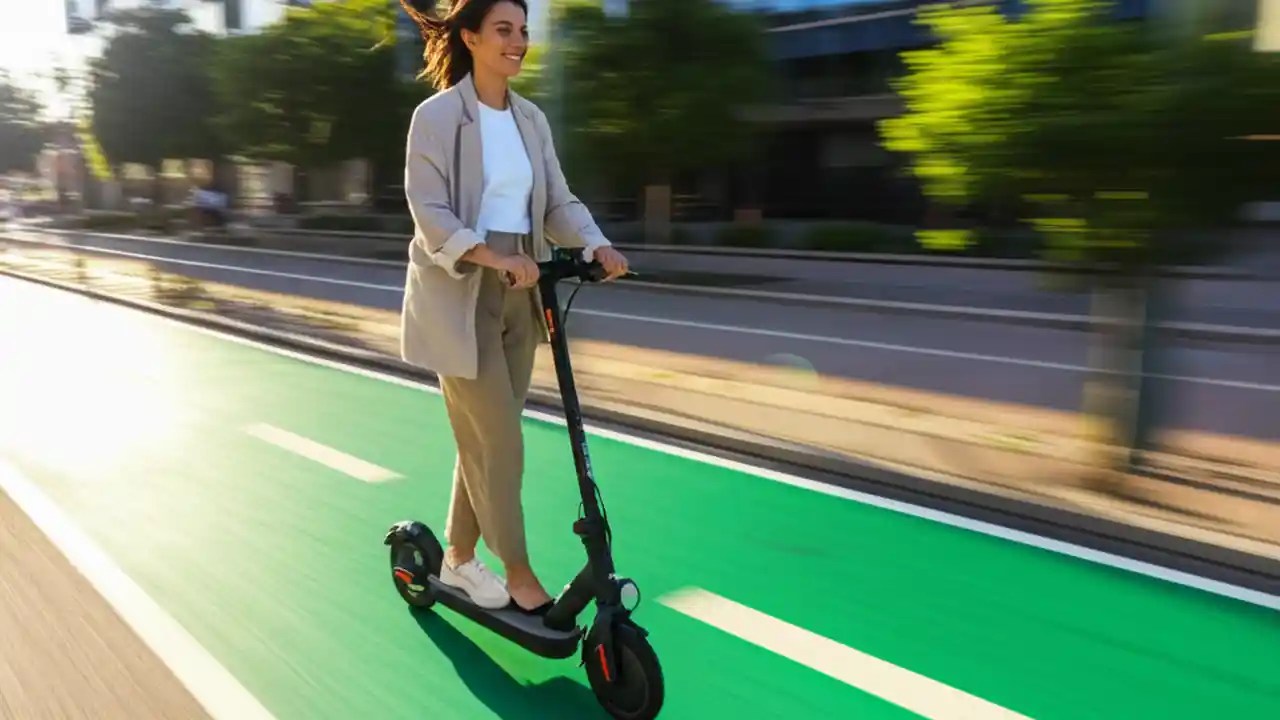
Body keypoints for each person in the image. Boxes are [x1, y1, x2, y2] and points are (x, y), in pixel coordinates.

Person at [398, 0, 629, 614]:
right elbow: (429, 211)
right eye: (504, 30)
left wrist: (596, 243)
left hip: (522, 298)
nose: (518, 42)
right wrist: (491, 257)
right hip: (460, 293)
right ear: (470, 37)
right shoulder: (439, 116)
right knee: (499, 443)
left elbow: (556, 201)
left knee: (486, 439)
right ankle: (517, 571)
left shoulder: (531, 120)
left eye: (524, 31)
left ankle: (457, 556)